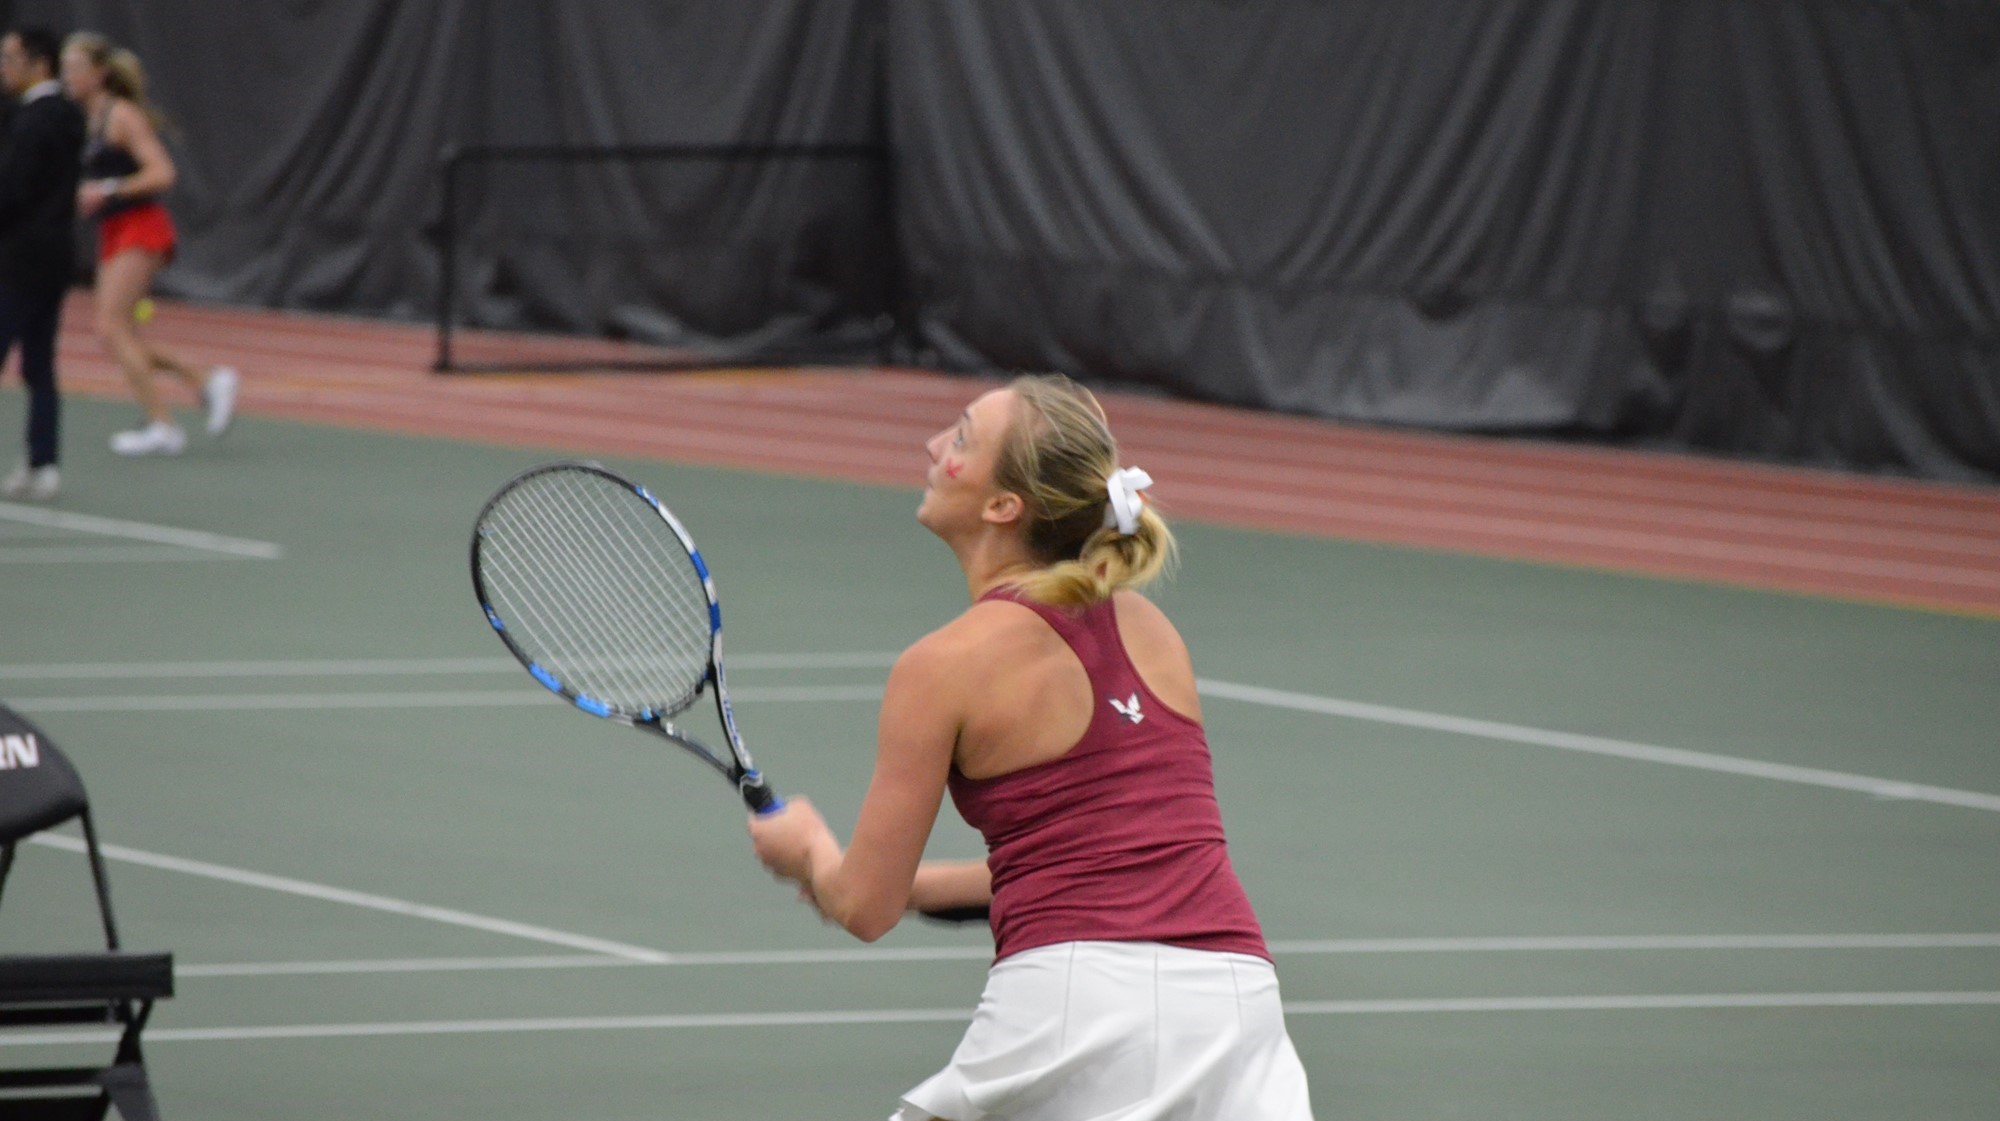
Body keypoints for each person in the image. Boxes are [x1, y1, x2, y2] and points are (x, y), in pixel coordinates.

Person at [749, 373, 1315, 1120]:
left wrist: (811, 849)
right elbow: (1101, 857)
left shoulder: (941, 666)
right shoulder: (1152, 631)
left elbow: (863, 905)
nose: (931, 446)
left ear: (1002, 505)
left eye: (958, 438)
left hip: (1073, 1008)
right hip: (1237, 1005)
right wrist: (919, 887)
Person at [60, 31, 234, 457]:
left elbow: (162, 172)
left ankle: (163, 425)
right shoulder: (84, 117)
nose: (69, 77)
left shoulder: (121, 116)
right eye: (65, 69)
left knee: (110, 327)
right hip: (115, 229)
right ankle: (206, 380)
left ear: (98, 74)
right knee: (119, 333)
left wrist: (110, 189)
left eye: (76, 68)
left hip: (142, 227)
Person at [0, 26, 84, 501]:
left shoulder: (34, 120)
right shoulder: (68, 115)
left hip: (21, 259)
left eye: (11, 58)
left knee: (31, 360)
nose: (3, 68)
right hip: (54, 255)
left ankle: (42, 461)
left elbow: (15, 191)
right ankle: (43, 462)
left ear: (39, 63)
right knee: (39, 364)